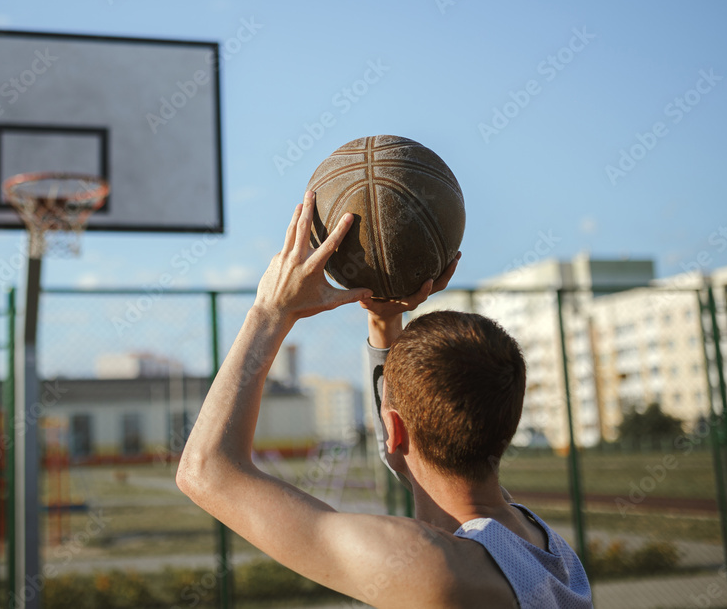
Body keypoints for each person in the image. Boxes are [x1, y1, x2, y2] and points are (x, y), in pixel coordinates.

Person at [176, 191, 592, 608]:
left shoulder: (435, 571)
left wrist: (269, 312)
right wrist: (384, 318)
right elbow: (415, 455)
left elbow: (207, 470)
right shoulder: (548, 549)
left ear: (392, 430)